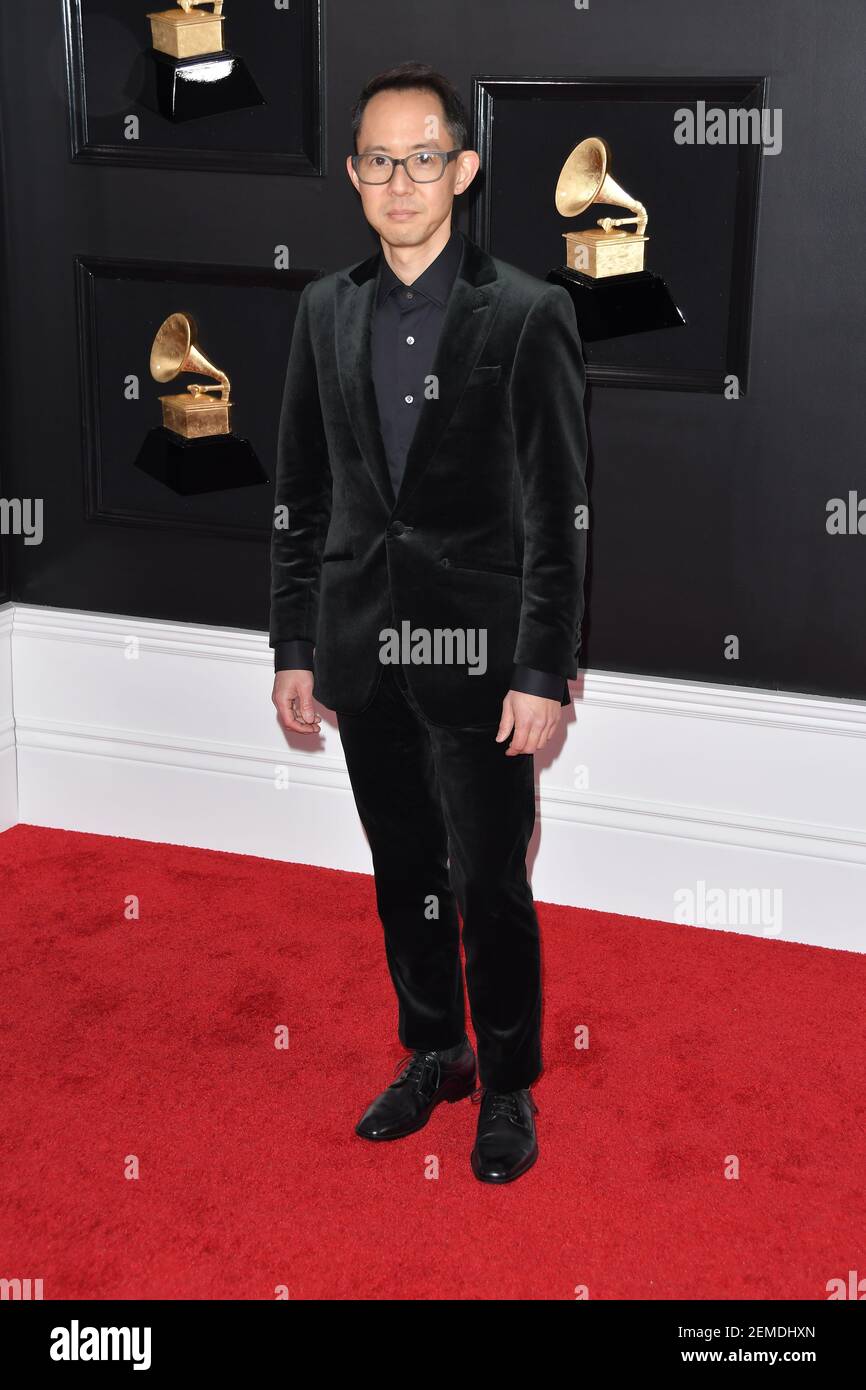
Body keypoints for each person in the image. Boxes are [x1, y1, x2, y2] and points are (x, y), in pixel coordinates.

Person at [270, 61, 588, 1184]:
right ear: (352, 173)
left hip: (484, 660)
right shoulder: (323, 308)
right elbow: (301, 495)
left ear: (461, 167)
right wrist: (294, 647)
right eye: (374, 159)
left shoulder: (530, 310)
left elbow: (557, 514)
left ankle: (507, 1085)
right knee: (401, 866)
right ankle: (434, 1052)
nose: (396, 179)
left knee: (489, 881)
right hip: (362, 652)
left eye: (419, 157)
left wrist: (542, 670)